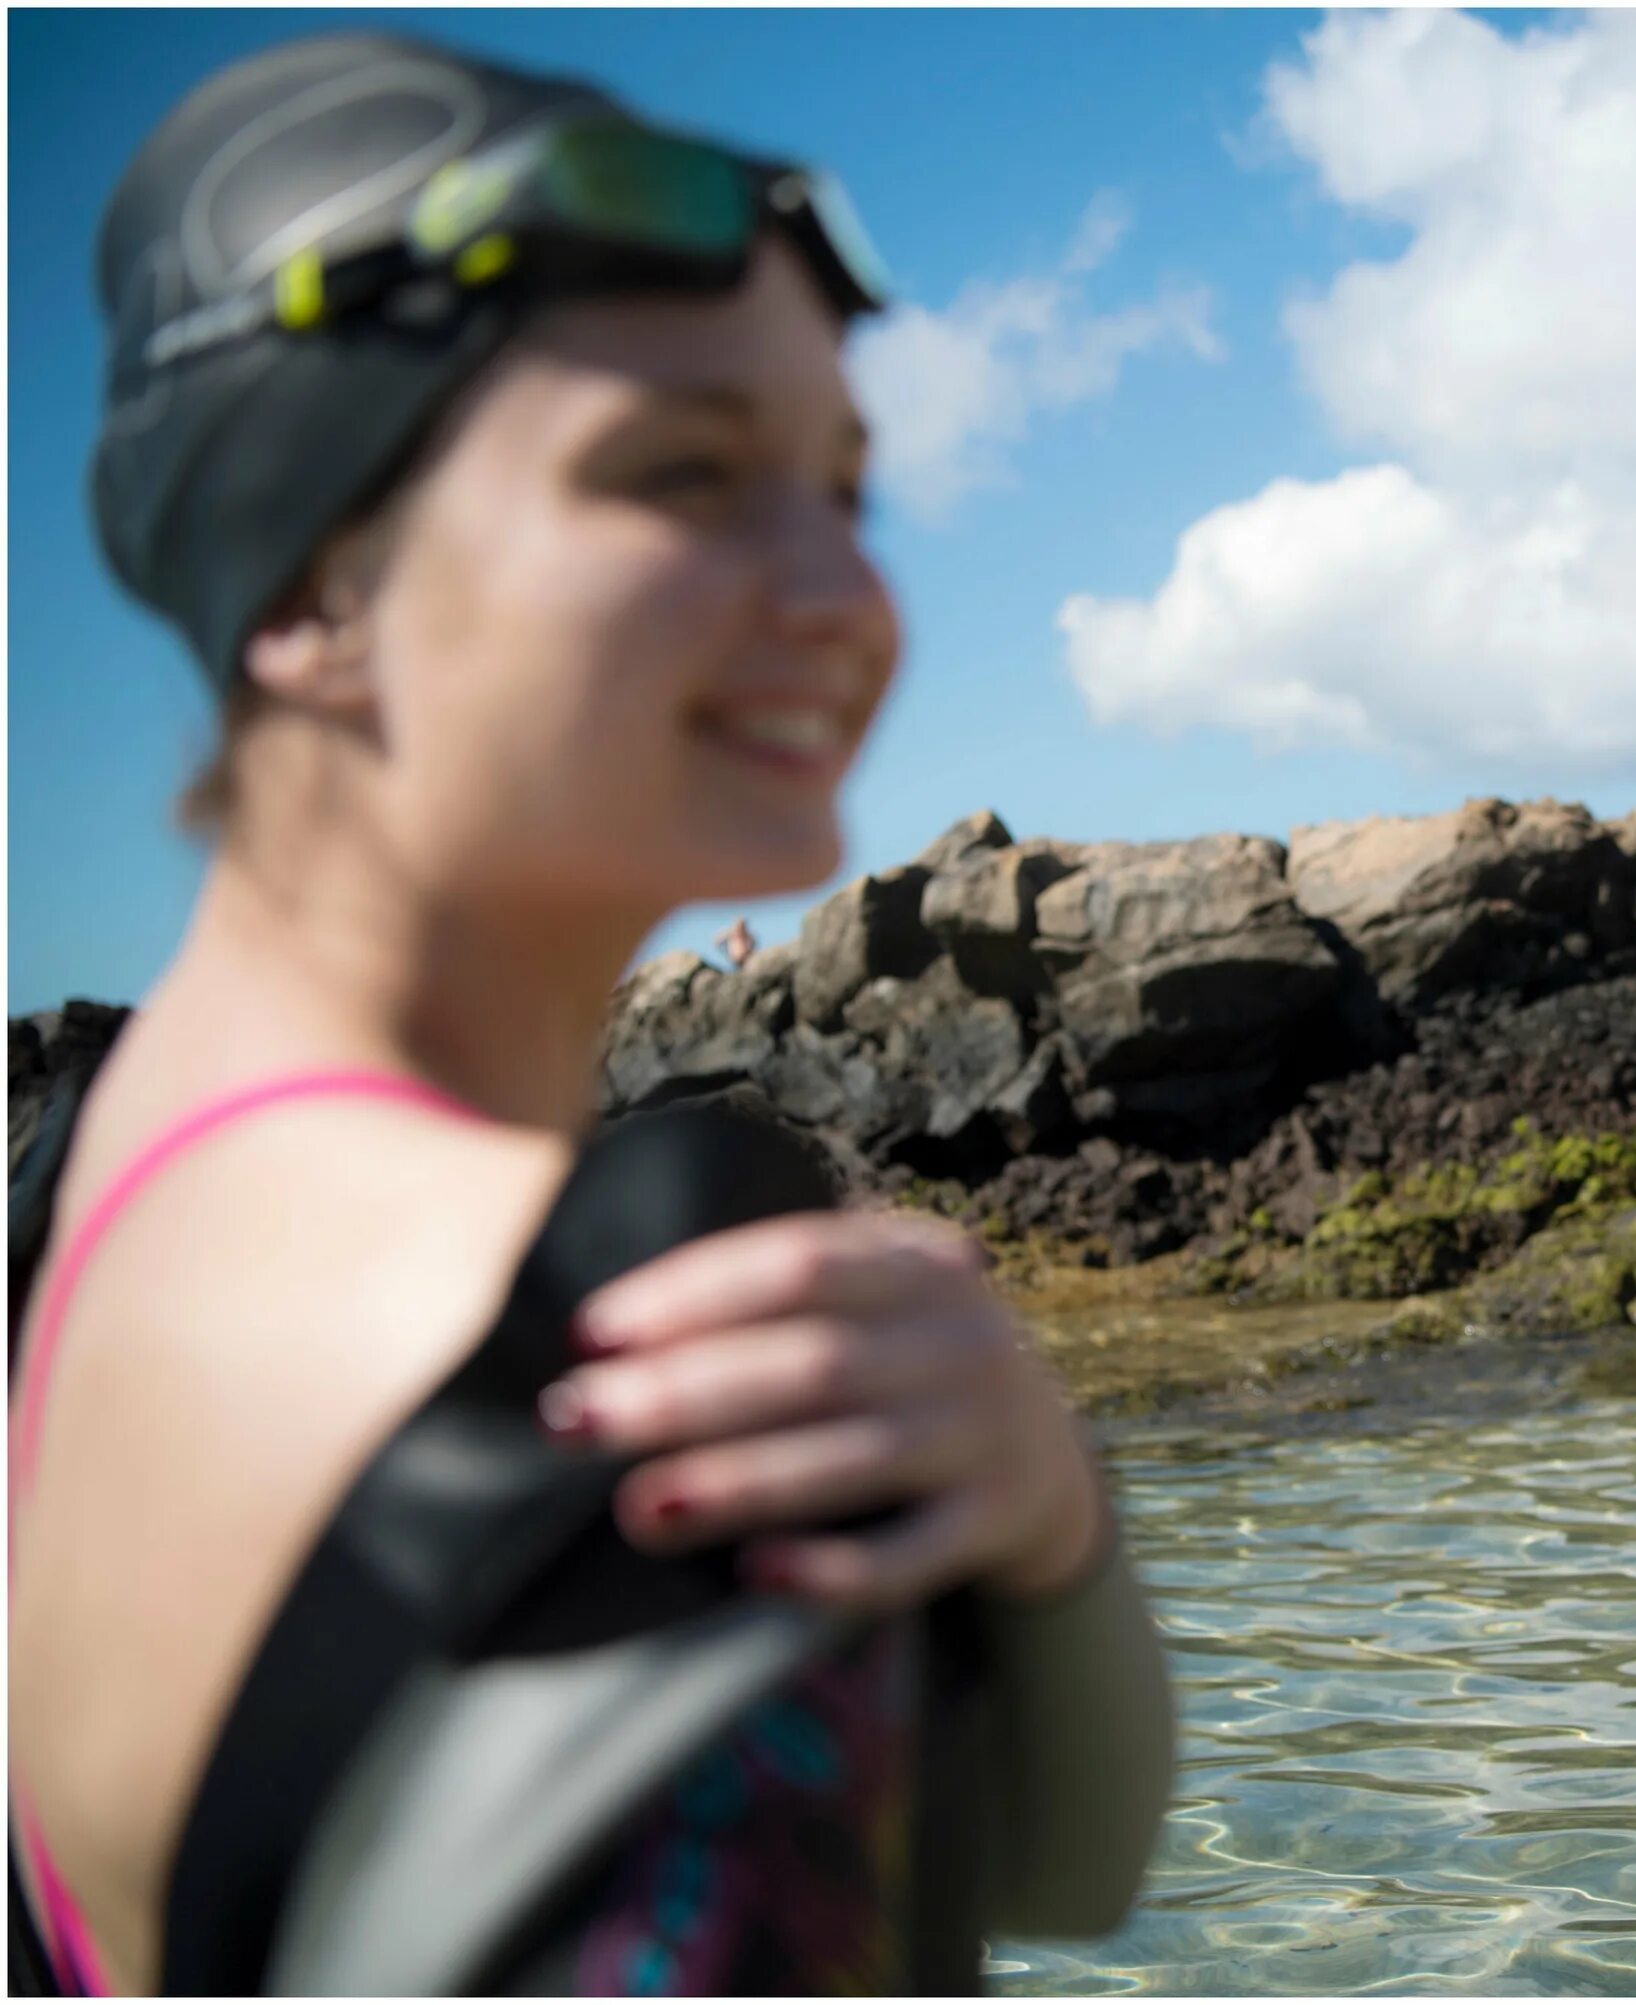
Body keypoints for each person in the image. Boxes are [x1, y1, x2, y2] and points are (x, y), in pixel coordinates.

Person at [9, 33, 1173, 1995]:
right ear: (312, 583)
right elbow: (1059, 1869)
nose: (846, 595)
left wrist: (1041, 1514)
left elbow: (1043, 1862)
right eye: (679, 477)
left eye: (843, 486)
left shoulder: (89, 1197)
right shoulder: (622, 1378)